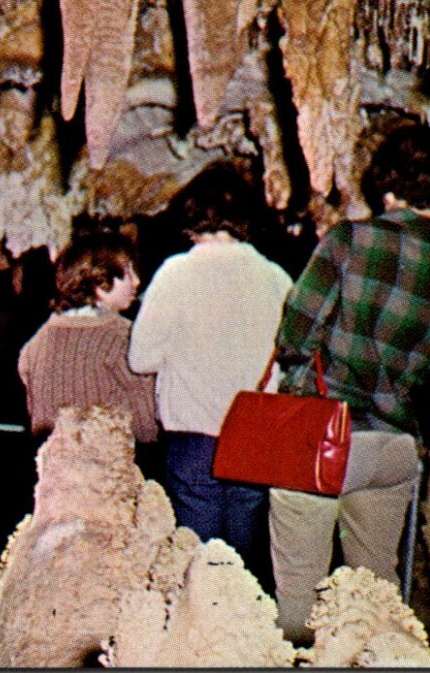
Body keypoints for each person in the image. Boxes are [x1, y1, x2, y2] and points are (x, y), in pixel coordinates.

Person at [267, 124, 430, 640]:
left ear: (387, 186)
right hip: (395, 445)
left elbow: (296, 331)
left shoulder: (349, 240)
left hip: (323, 434)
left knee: (302, 595)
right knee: (376, 594)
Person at [128, 163, 293, 572]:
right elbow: (292, 358)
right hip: (256, 432)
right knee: (242, 562)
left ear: (190, 216)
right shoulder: (275, 277)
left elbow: (141, 358)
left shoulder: (175, 274)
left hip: (193, 434)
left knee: (195, 563)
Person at [18, 230, 159, 445]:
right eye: (128, 271)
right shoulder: (121, 335)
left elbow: (36, 415)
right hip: (110, 468)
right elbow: (145, 426)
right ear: (100, 278)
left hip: (55, 469)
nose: (137, 281)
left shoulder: (37, 342)